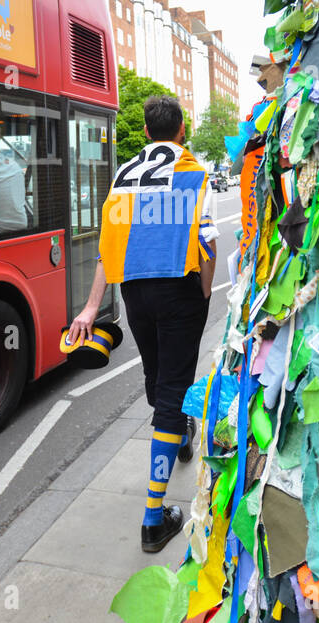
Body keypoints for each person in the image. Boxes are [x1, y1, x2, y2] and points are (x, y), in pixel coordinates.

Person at [68, 97, 219, 553]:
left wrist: (91, 309)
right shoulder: (194, 172)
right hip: (179, 288)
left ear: (149, 133)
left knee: (158, 383)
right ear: (182, 129)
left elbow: (107, 249)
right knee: (171, 394)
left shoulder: (122, 175)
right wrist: (206, 292)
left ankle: (177, 432)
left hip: (135, 292)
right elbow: (207, 242)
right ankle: (155, 519)